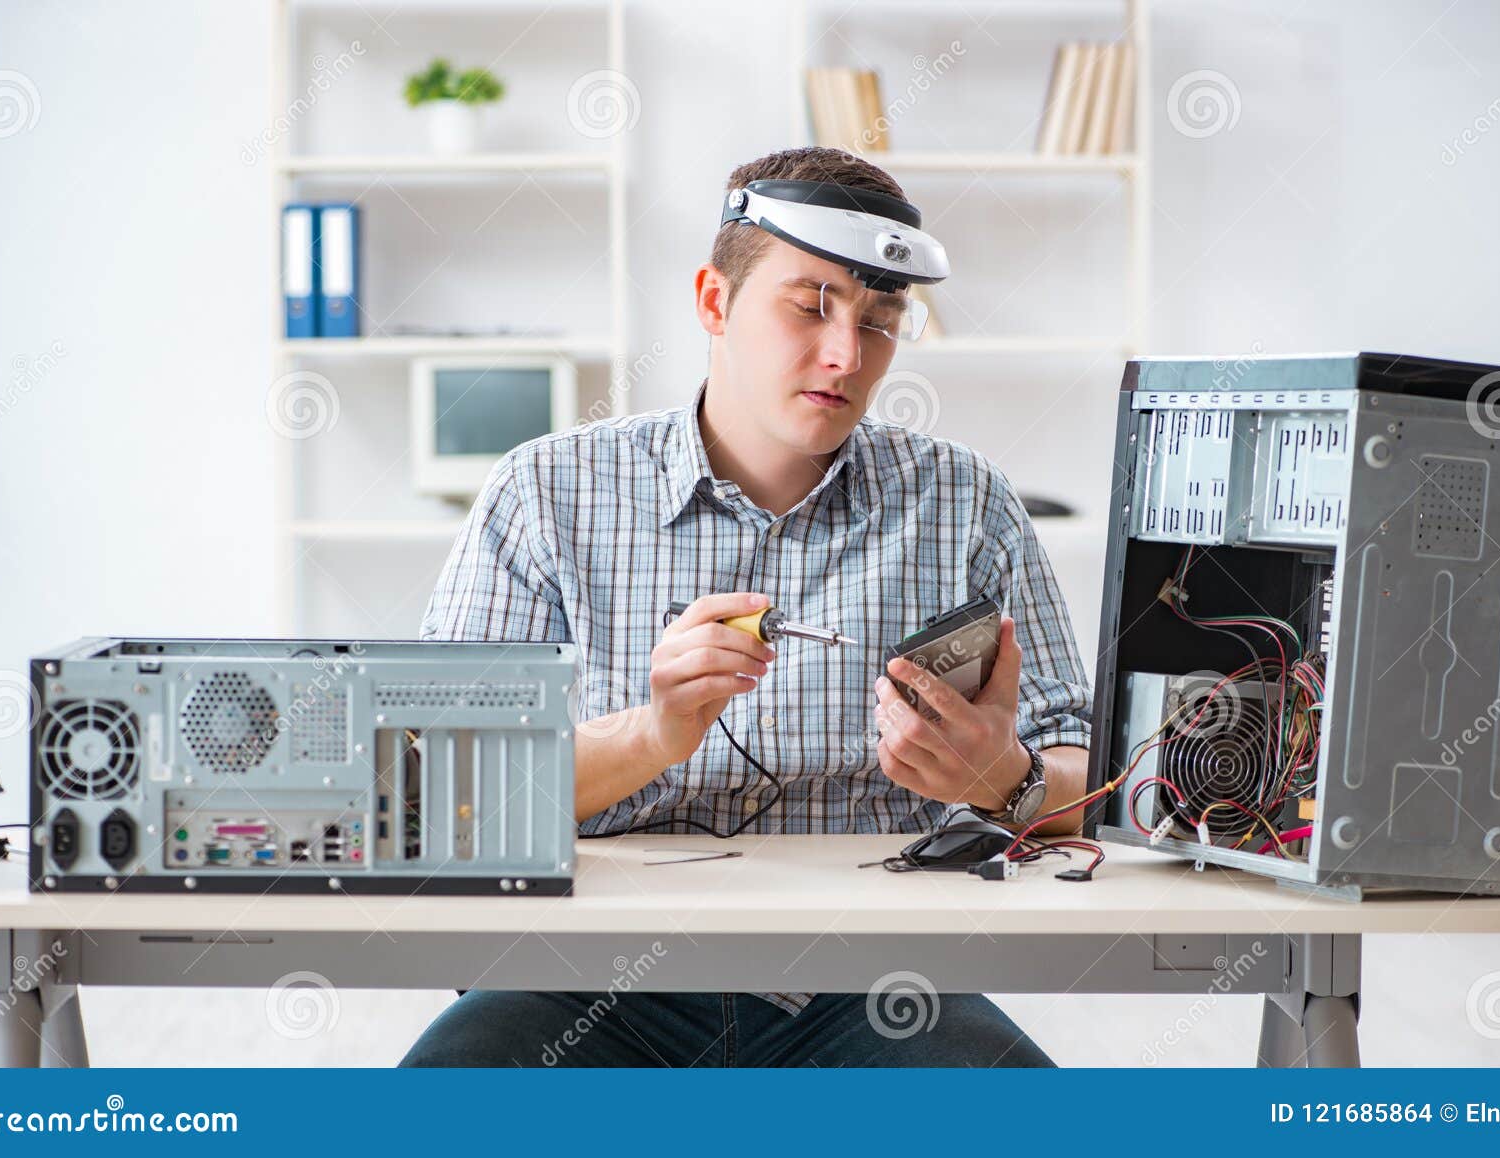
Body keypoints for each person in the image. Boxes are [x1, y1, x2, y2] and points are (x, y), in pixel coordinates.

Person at [402, 146, 1093, 1067]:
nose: (846, 354)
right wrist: (652, 736)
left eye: (881, 320)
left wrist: (997, 779)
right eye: (809, 306)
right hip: (583, 978)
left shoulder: (964, 503)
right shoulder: (544, 492)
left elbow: (1102, 788)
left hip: (876, 990)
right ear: (715, 302)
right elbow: (439, 800)